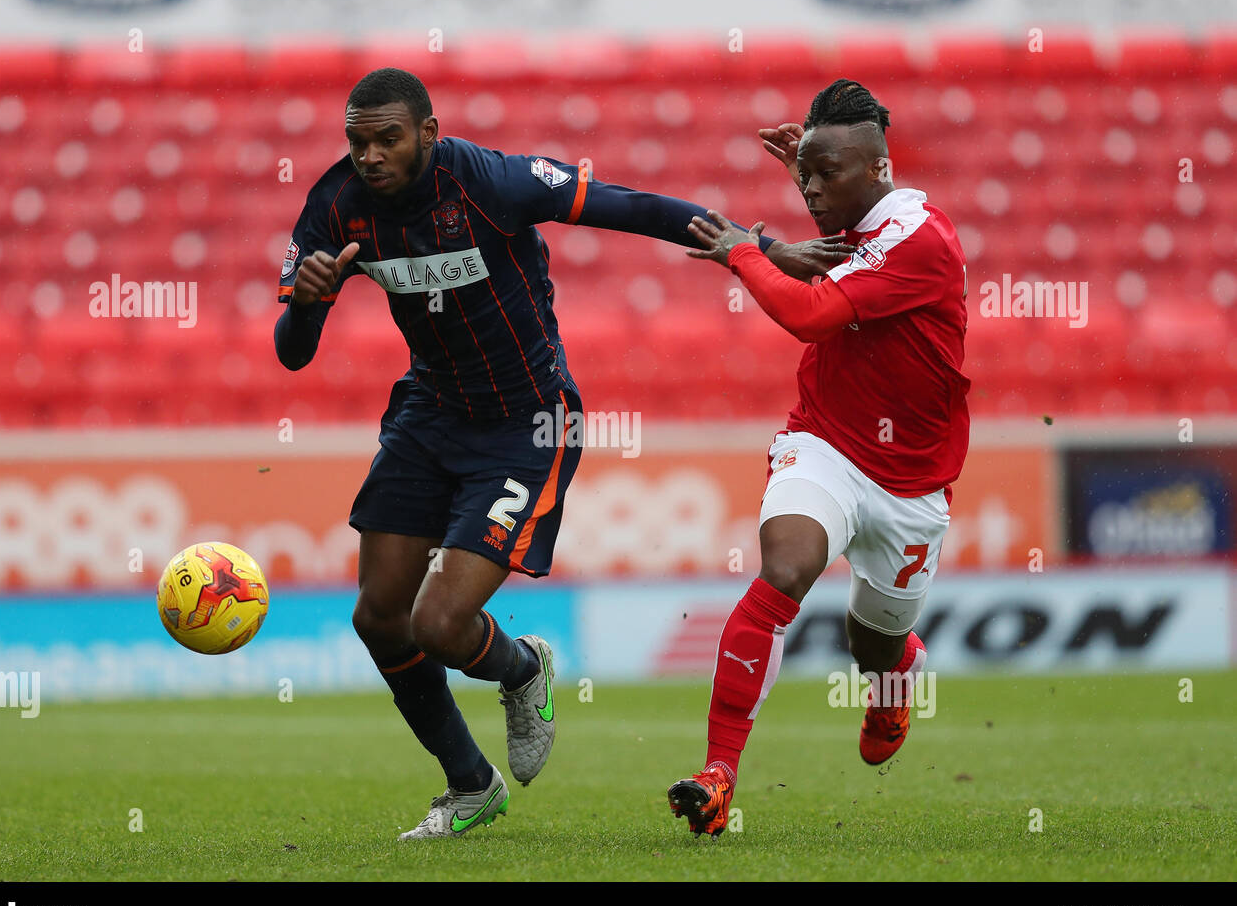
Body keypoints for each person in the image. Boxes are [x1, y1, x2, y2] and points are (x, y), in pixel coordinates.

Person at [275, 67, 842, 839]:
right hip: (429, 411)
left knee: (439, 623)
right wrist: (306, 306)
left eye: (387, 139)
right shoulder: (335, 205)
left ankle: (522, 668)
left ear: (429, 136)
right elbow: (293, 355)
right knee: (379, 616)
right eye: (358, 140)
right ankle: (471, 784)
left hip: (525, 423)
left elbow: (634, 208)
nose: (369, 156)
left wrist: (763, 247)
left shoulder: (495, 183)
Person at [667, 79, 971, 838]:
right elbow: (832, 255)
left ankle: (895, 673)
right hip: (826, 442)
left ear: (878, 169)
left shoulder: (921, 236)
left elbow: (810, 313)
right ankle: (718, 776)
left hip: (913, 483)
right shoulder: (871, 221)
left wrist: (743, 250)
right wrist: (801, 175)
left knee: (874, 639)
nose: (809, 188)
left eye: (825, 173)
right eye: (804, 173)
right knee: (785, 570)